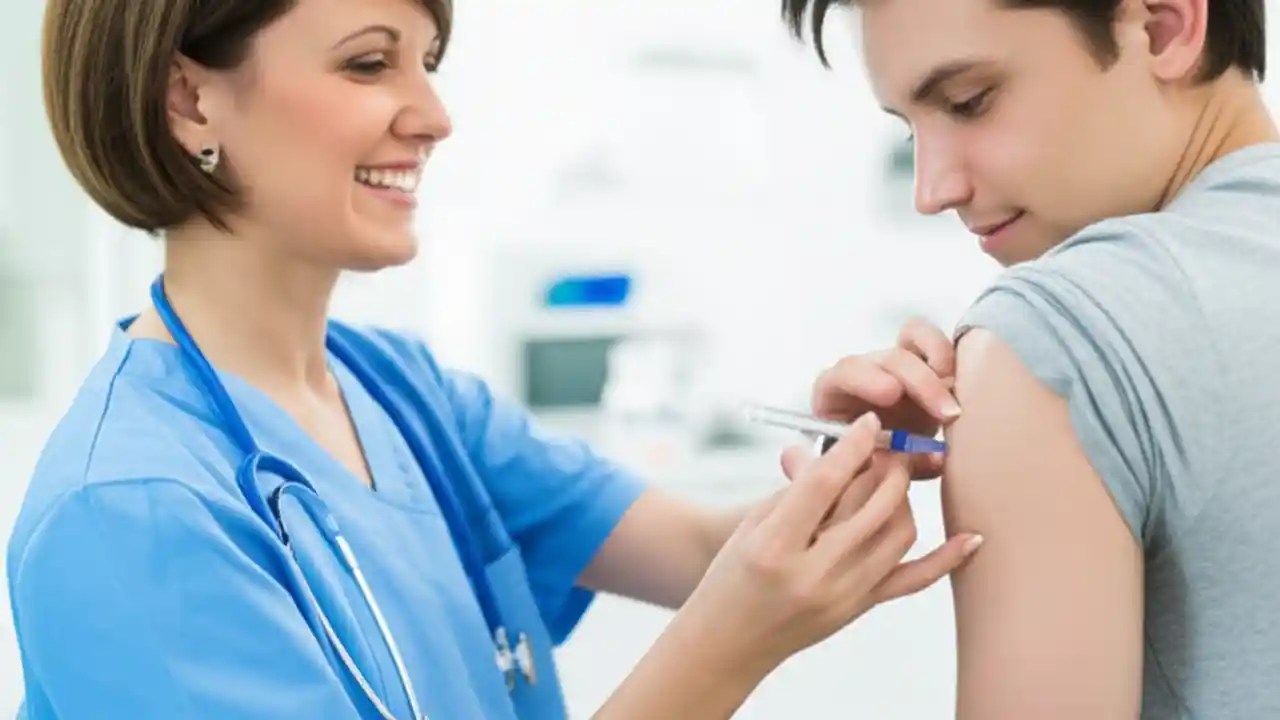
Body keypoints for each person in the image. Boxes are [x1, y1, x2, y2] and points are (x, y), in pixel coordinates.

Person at [7, 0, 985, 718]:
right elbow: (724, 599)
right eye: (367, 64)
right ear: (186, 100)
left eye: (426, 60)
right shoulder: (130, 512)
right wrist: (725, 651)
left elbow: (698, 553)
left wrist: (848, 459)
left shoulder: (404, 398)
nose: (433, 114)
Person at [782, 0, 1278, 717]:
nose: (932, 191)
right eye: (911, 129)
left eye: (968, 102)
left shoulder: (1054, 339)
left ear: (1163, 25)